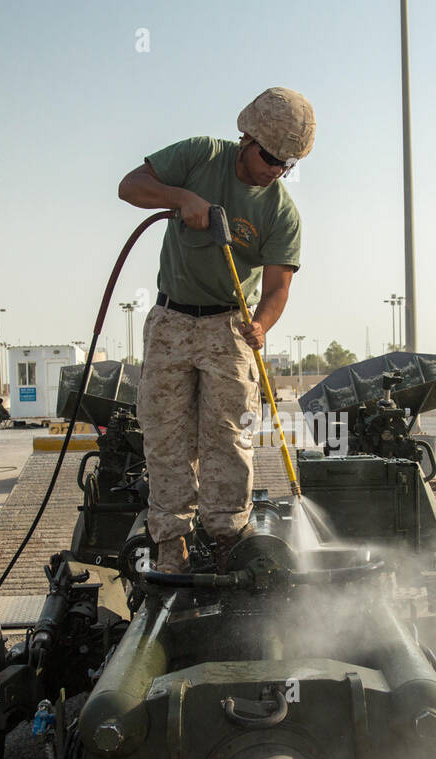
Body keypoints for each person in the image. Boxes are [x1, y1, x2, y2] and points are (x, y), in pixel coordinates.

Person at [116, 87, 315, 574]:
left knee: (229, 439)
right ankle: (172, 544)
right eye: (270, 156)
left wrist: (262, 325)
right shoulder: (201, 155)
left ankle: (227, 540)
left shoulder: (282, 212)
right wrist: (180, 196)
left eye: (287, 164)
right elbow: (129, 186)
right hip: (171, 321)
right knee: (166, 437)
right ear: (246, 137)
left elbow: (276, 289)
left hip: (230, 325)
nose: (276, 170)